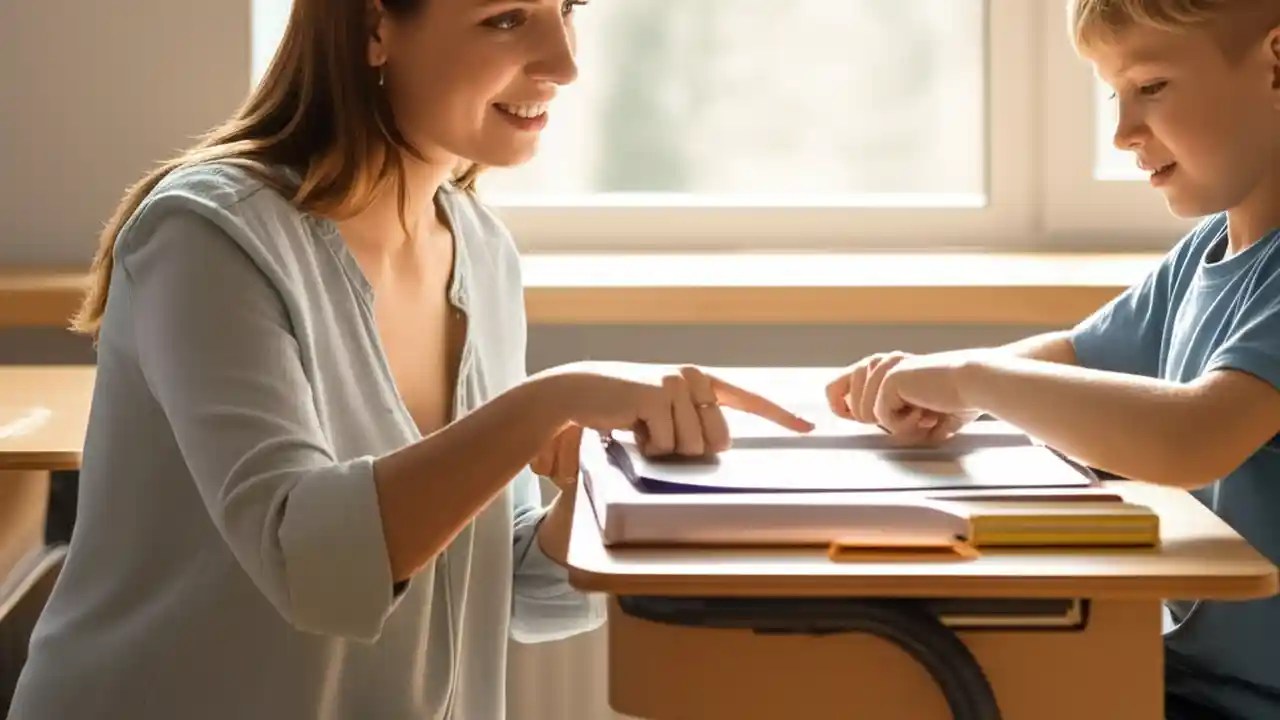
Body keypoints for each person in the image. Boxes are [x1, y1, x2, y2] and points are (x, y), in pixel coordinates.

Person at [7, 1, 813, 718]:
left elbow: (516, 587)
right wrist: (547, 401)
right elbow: (310, 562)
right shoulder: (209, 239)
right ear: (375, 28)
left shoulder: (479, 250)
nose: (564, 63)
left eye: (567, 9)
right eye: (506, 19)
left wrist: (605, 481)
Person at [825, 1, 1280, 717]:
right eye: (1115, 95)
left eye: (1152, 87)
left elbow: (1191, 436)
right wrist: (946, 386)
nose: (1125, 132)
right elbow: (1076, 358)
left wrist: (972, 378)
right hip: (1175, 677)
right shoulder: (1211, 249)